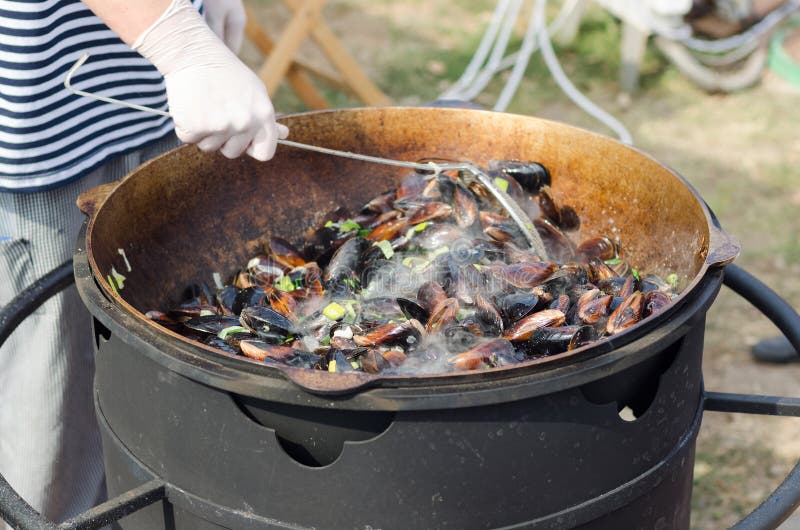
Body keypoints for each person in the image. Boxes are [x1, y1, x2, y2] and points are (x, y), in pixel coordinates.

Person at [0, 0, 287, 526]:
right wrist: (181, 43)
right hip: (50, 131)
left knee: (169, 362)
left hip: (163, 106)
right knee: (56, 418)